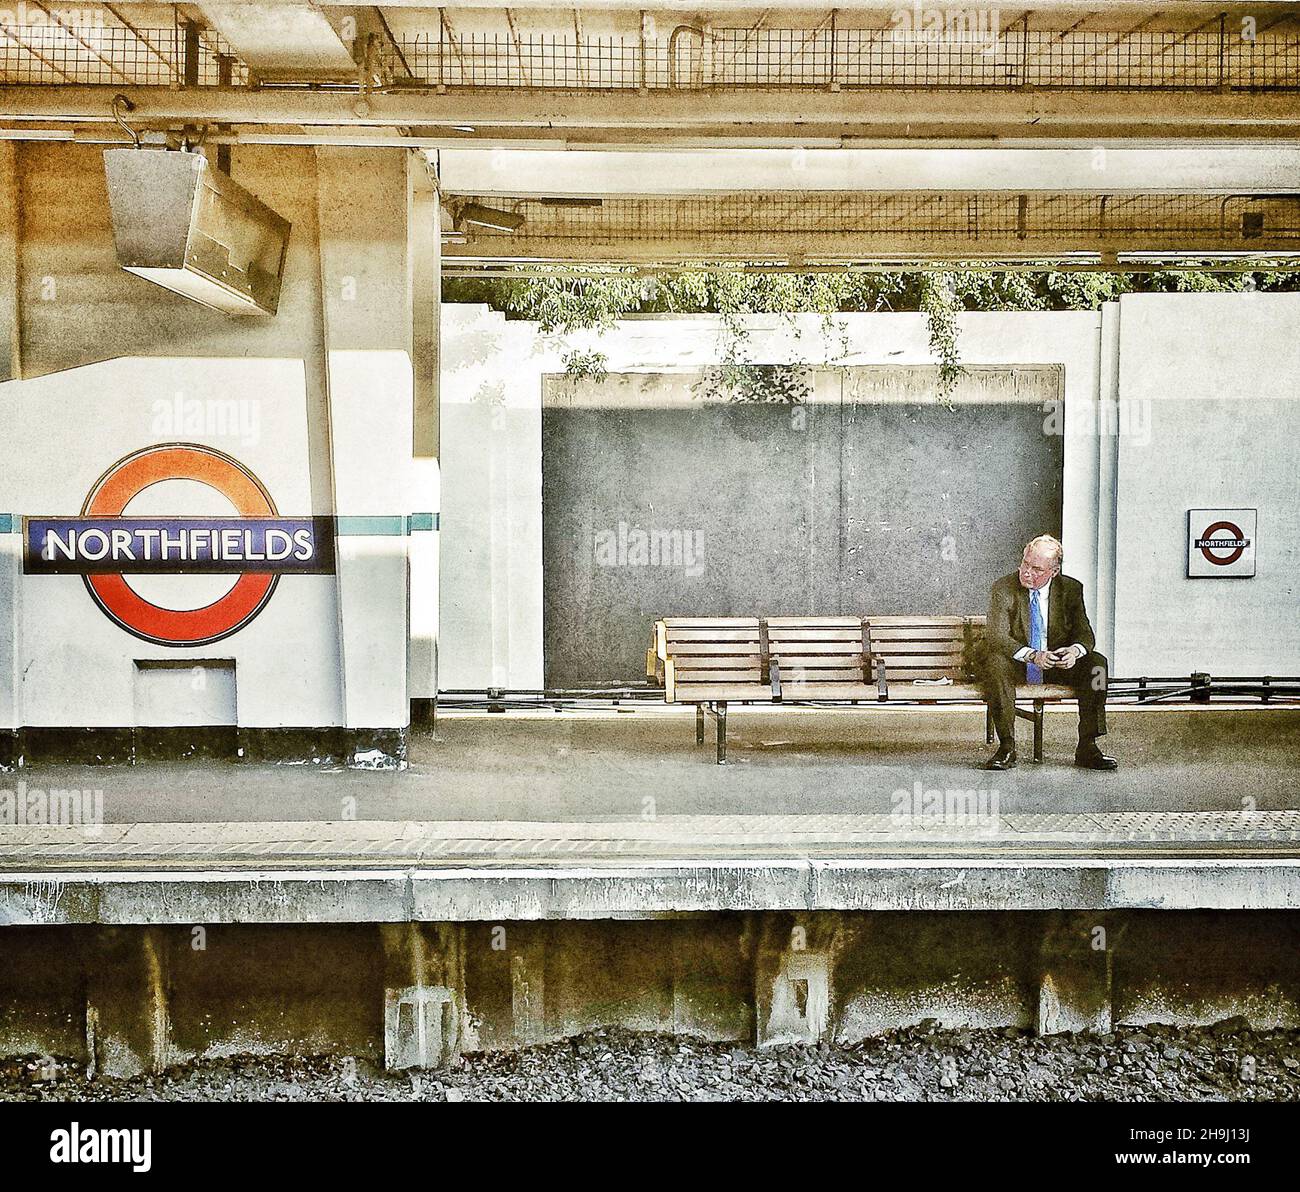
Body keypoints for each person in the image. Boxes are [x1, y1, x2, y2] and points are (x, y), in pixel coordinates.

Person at [979, 534, 1117, 771]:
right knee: (995, 664)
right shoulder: (1004, 588)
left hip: (1056, 665)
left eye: (1036, 568)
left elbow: (1086, 635)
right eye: (1025, 563)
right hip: (1019, 664)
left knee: (1097, 665)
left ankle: (1088, 745)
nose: (1026, 572)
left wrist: (1075, 651)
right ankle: (1007, 747)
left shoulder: (1071, 589)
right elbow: (997, 636)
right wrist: (1032, 655)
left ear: (1054, 571)